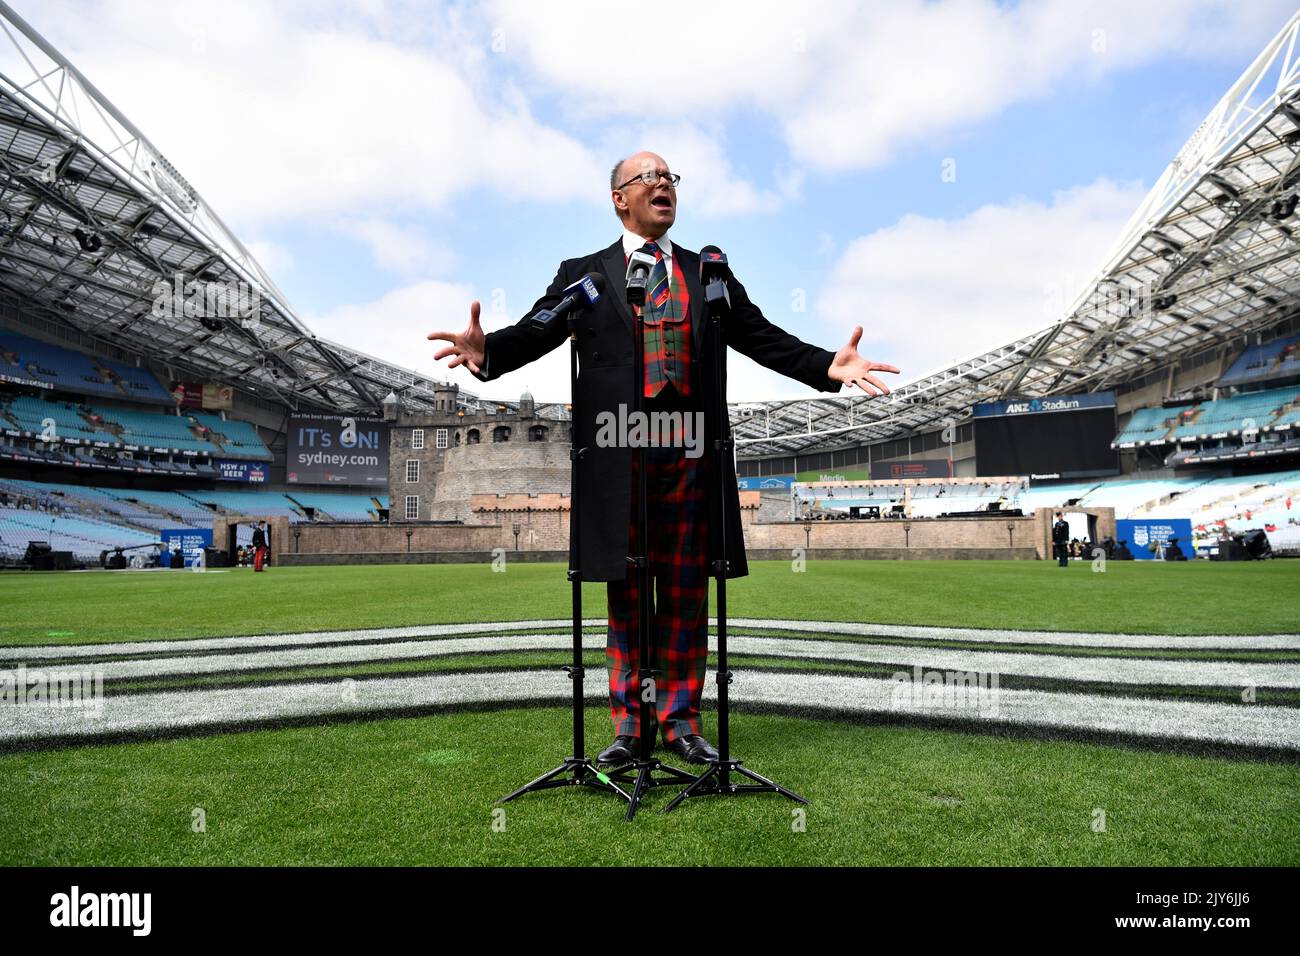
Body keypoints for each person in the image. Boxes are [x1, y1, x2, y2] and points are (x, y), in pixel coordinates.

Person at [428, 151, 899, 766]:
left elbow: (758, 335)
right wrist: (488, 352)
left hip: (691, 452)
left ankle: (679, 722)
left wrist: (824, 367)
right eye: (648, 177)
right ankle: (629, 728)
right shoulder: (586, 274)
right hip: (618, 453)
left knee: (684, 590)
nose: (663, 186)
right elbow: (537, 328)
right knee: (625, 592)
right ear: (618, 198)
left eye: (670, 178)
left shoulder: (706, 273)